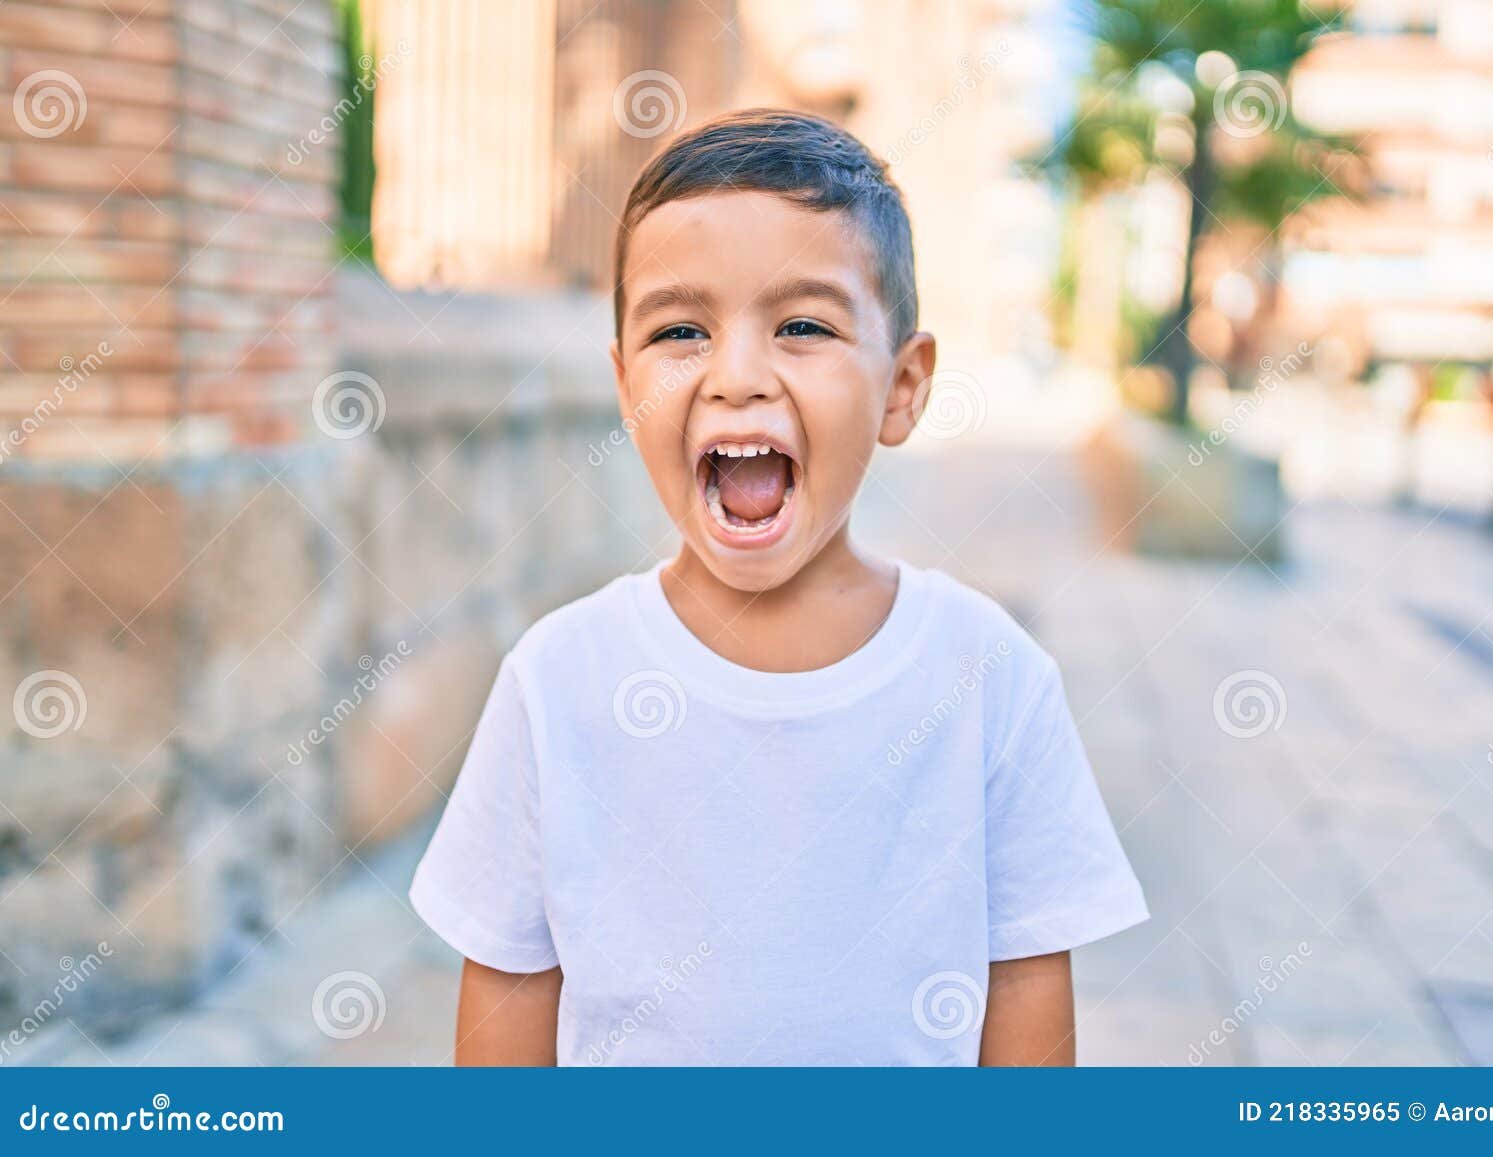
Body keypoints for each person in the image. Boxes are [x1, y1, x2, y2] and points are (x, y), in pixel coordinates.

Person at [409, 109, 1148, 1066]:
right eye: (681, 330)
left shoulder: (989, 676)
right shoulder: (558, 680)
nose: (738, 375)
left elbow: (1029, 992)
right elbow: (509, 994)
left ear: (903, 387)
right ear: (624, 380)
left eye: (802, 324)